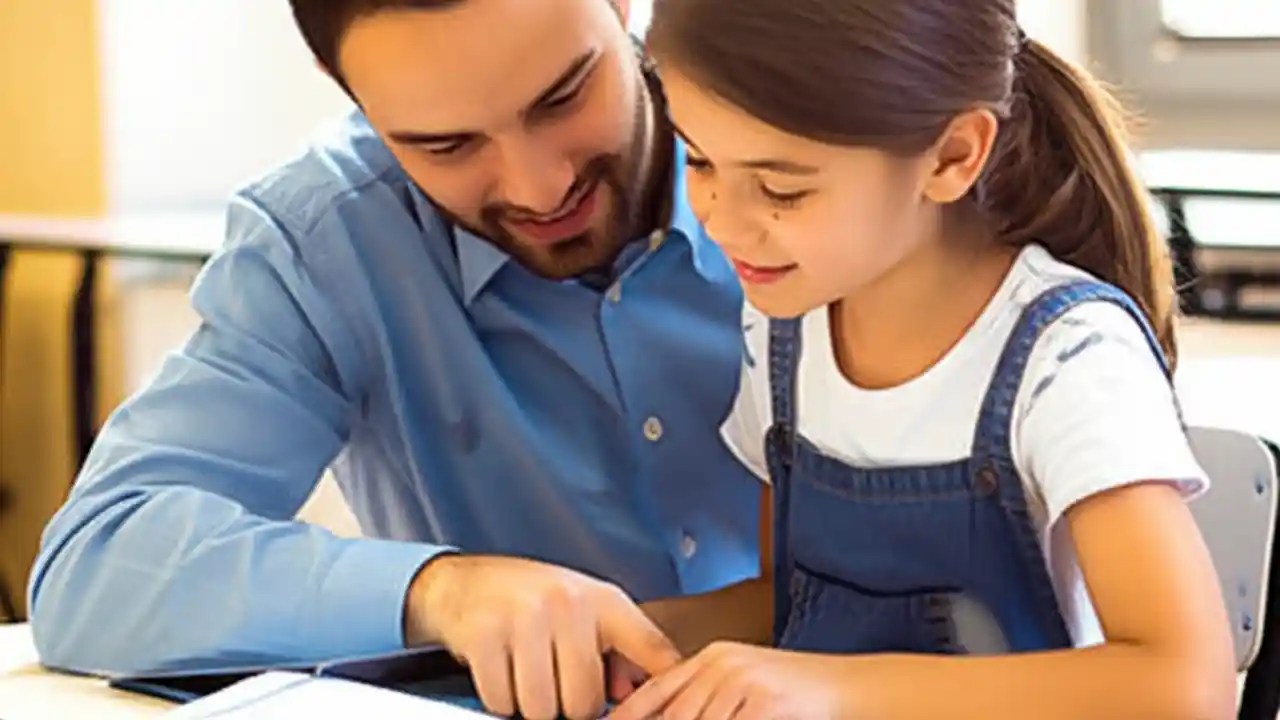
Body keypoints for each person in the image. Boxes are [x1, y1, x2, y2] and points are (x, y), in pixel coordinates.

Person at [27, 2, 769, 718]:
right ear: (339, 80)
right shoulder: (324, 244)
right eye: (446, 145)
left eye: (563, 96)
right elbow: (95, 567)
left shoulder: (816, 145)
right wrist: (440, 591)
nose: (538, 187)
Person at [611, 0, 1239, 717]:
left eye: (783, 188)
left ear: (951, 156)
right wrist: (641, 632)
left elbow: (1186, 688)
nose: (720, 217)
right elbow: (791, 606)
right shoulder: (781, 328)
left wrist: (836, 692)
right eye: (699, 159)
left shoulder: (1066, 359)